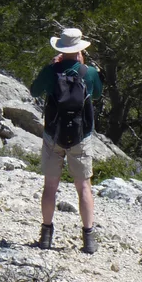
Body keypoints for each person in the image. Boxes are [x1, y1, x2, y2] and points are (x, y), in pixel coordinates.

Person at [30, 28, 103, 254]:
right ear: (80, 49)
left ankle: (46, 235)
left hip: (54, 134)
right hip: (81, 136)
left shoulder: (51, 71)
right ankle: (88, 239)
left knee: (50, 186)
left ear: (61, 49)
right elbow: (98, 94)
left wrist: (53, 67)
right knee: (83, 187)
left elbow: (34, 91)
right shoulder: (88, 72)